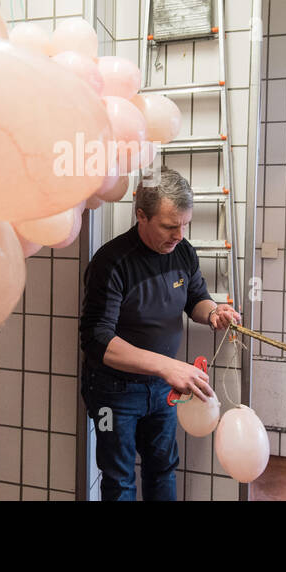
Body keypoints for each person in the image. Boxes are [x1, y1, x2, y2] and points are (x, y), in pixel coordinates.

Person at [79, 166, 241, 501]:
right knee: (119, 478)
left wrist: (213, 312)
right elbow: (96, 339)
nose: (179, 234)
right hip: (114, 392)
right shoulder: (111, 262)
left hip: (165, 387)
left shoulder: (182, 251)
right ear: (141, 215)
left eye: (185, 224)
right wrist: (167, 366)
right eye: (170, 226)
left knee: (162, 468)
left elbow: (195, 298)